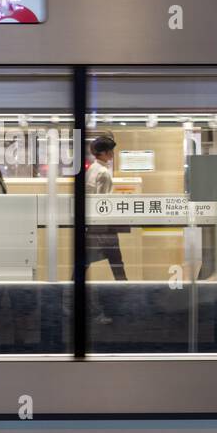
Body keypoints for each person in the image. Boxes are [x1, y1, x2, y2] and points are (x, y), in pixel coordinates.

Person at [84, 136, 126, 327]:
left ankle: (69, 299)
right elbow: (104, 204)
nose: (112, 154)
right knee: (118, 265)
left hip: (92, 227)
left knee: (83, 266)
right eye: (110, 150)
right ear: (104, 152)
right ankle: (125, 306)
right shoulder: (104, 173)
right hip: (104, 228)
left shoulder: (90, 170)